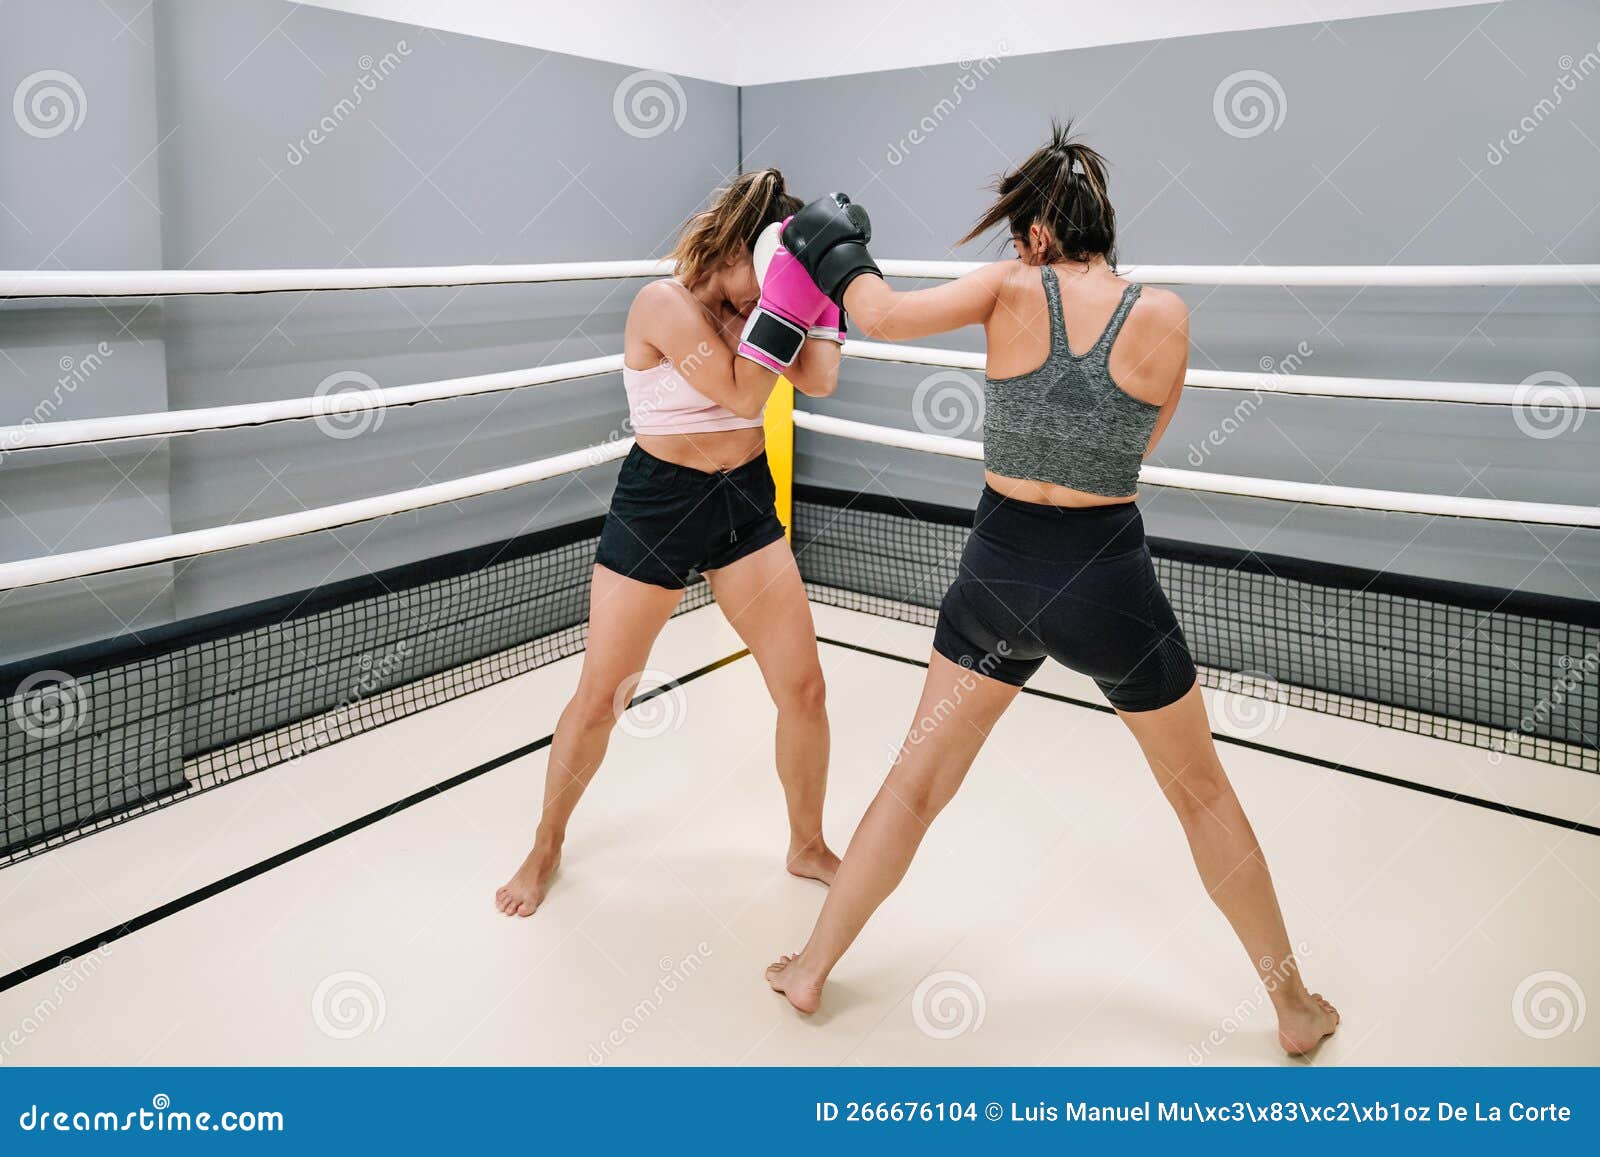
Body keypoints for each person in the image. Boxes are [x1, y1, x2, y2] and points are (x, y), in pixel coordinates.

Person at [763, 126, 1340, 1056]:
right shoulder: (1167, 312)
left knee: (915, 783)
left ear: (1034, 233)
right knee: (1200, 794)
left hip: (997, 574)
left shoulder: (1007, 289)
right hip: (1106, 579)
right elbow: (1135, 450)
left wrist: (833, 245)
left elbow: (879, 315)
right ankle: (1295, 1007)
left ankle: (808, 969)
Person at [496, 170, 843, 917]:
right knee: (602, 697)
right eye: (767, 272)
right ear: (731, 247)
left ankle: (806, 841)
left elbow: (819, 380)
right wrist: (788, 298)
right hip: (660, 504)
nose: (762, 296)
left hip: (743, 501)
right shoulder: (665, 304)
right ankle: (546, 843)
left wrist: (825, 289)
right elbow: (746, 394)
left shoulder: (765, 303)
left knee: (804, 687)